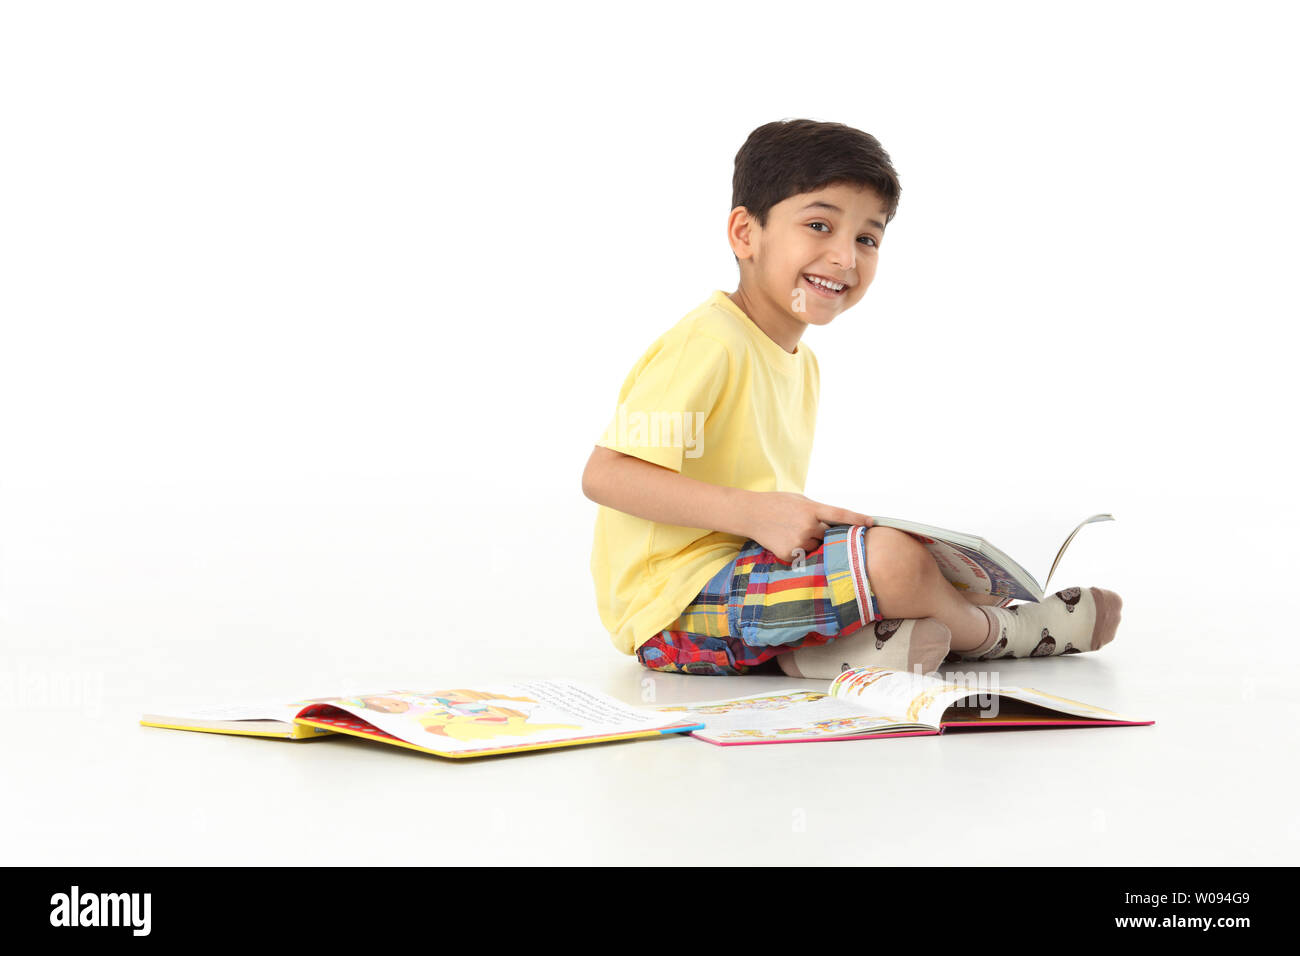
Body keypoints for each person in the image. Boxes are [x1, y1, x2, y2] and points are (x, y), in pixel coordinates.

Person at [582, 118, 1122, 677]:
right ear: (746, 234)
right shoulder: (708, 345)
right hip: (671, 611)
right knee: (892, 560)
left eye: (867, 238)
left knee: (921, 571)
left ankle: (835, 654)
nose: (846, 257)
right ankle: (1010, 632)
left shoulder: (801, 362)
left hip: (745, 580)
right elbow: (607, 475)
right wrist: (756, 513)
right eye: (819, 225)